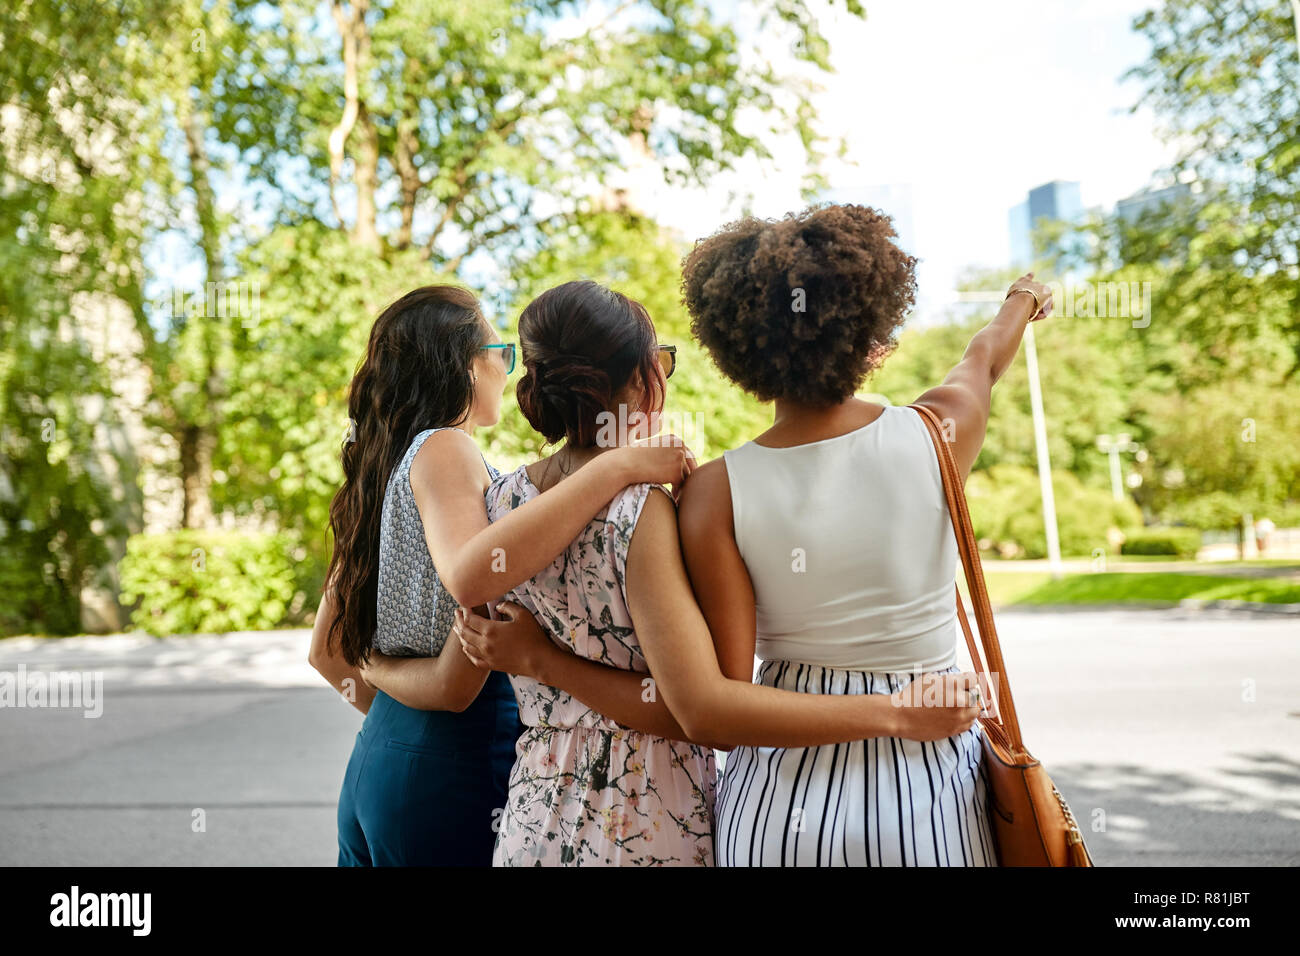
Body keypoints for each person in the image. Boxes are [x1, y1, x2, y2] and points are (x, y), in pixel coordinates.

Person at [434, 279, 986, 866]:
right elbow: (695, 711)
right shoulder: (638, 513)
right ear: (644, 379)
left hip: (535, 808)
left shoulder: (504, 504)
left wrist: (538, 663)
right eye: (662, 363)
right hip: (640, 810)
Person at [672, 204, 1055, 866]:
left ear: (736, 346)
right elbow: (983, 359)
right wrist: (1022, 300)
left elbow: (725, 709)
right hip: (926, 791)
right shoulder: (937, 434)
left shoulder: (713, 491)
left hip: (776, 811)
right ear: (868, 331)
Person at [307, 284, 694, 867]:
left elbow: (326, 652)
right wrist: (618, 465)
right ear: (466, 367)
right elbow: (456, 670)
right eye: (501, 352)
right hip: (454, 763)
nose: (506, 368)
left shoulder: (381, 475)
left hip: (382, 755)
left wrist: (390, 701)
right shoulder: (448, 451)